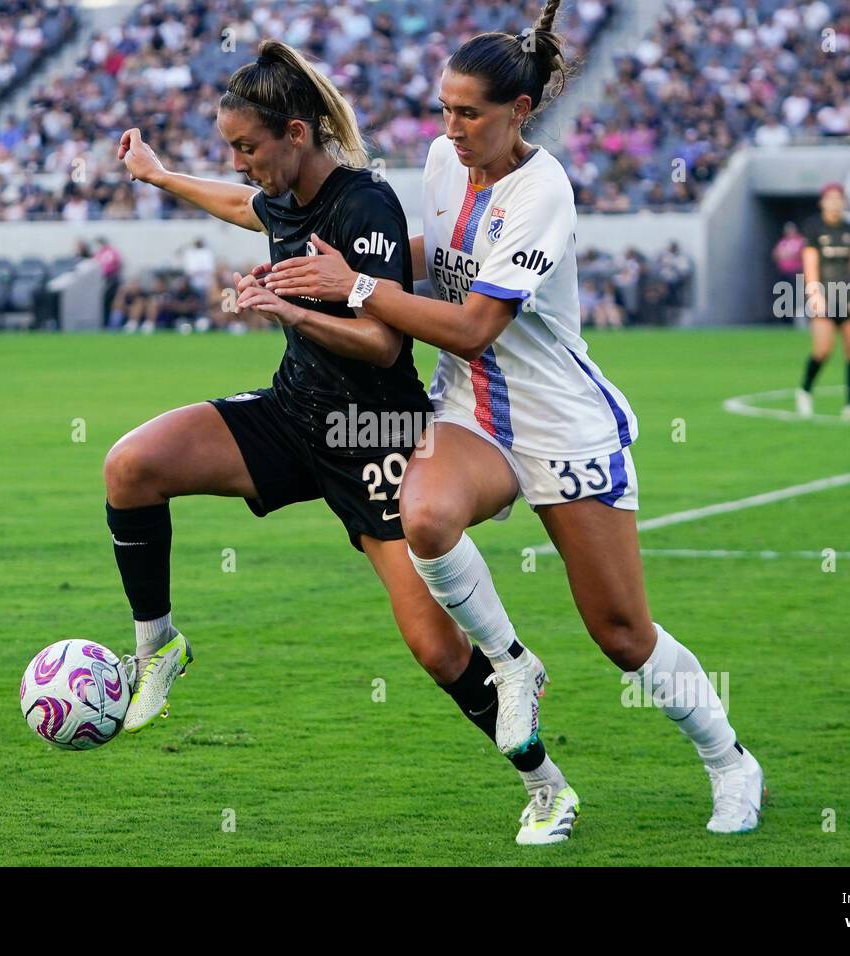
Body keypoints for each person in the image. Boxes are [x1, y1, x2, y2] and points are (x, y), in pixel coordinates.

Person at [258, 0, 764, 836]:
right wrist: (367, 264)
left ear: (519, 112)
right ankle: (511, 665)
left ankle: (729, 762)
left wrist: (354, 288)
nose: (450, 127)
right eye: (443, 108)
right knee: (424, 513)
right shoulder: (440, 162)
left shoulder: (544, 190)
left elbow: (473, 322)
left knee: (621, 632)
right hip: (471, 408)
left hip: (561, 419)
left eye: (469, 113)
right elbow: (438, 257)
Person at [109, 38, 574, 844]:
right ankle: (158, 648)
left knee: (436, 650)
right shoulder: (281, 192)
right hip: (296, 417)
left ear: (297, 134)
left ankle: (546, 787)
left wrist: (288, 312)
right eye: (231, 149)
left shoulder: (365, 206)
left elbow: (384, 346)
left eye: (247, 147)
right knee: (132, 465)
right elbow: (241, 205)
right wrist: (159, 175)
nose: (240, 163)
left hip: (377, 437)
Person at [795, 183, 850, 420]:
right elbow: (809, 262)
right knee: (823, 350)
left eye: (839, 198)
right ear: (822, 202)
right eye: (830, 198)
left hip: (848, 296)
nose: (835, 203)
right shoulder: (814, 228)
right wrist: (814, 293)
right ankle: (805, 391)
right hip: (825, 296)